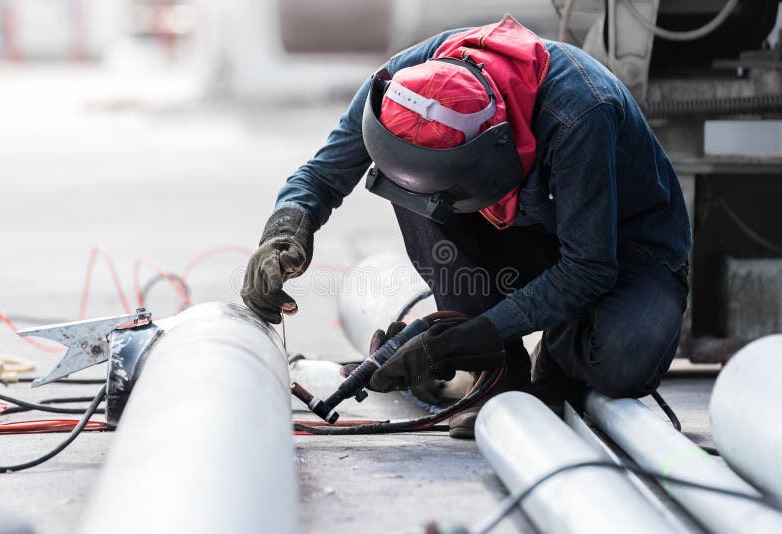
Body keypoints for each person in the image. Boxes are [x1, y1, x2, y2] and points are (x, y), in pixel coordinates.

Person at [240, 15, 691, 438]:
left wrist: (479, 334)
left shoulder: (580, 114)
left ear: (495, 145)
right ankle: (497, 370)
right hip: (533, 235)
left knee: (621, 361)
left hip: (624, 250)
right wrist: (285, 233)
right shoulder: (399, 84)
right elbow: (321, 176)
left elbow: (589, 266)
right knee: (418, 191)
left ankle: (559, 348)